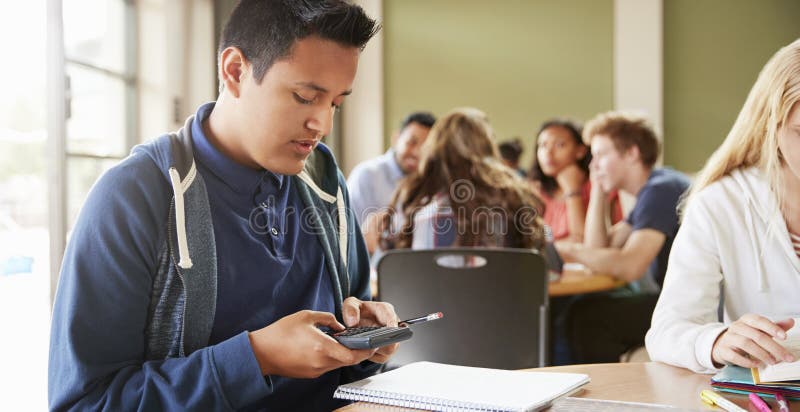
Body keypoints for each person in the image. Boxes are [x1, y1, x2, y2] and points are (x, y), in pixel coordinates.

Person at [48, 1, 401, 410]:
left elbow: (347, 375)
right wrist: (256, 358)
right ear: (235, 71)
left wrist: (363, 347)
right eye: (306, 97)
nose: (322, 125)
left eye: (336, 103)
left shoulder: (324, 180)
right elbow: (84, 403)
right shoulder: (132, 197)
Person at [646, 38, 800, 373]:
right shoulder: (720, 203)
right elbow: (667, 331)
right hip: (772, 396)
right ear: (772, 127)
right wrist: (716, 342)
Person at [556, 111, 690, 364]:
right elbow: (598, 248)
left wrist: (568, 251)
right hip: (672, 299)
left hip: (689, 308)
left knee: (588, 318)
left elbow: (629, 266)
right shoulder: (651, 191)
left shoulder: (661, 190)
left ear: (631, 153)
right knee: (580, 311)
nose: (592, 166)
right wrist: (598, 191)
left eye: (601, 155)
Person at [379, 107, 545, 251]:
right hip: (500, 288)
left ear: (434, 154)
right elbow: (551, 270)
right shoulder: (516, 207)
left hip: (430, 288)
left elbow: (385, 270)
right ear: (489, 152)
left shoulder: (413, 212)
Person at [346, 111, 436, 253]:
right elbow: (349, 237)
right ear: (396, 139)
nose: (417, 153)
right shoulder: (367, 176)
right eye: (411, 142)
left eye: (426, 148)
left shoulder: (431, 182)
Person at [529, 119, 623, 243]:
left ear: (581, 151)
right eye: (543, 145)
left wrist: (572, 191)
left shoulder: (600, 186)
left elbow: (584, 242)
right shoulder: (536, 190)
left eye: (559, 145)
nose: (548, 153)